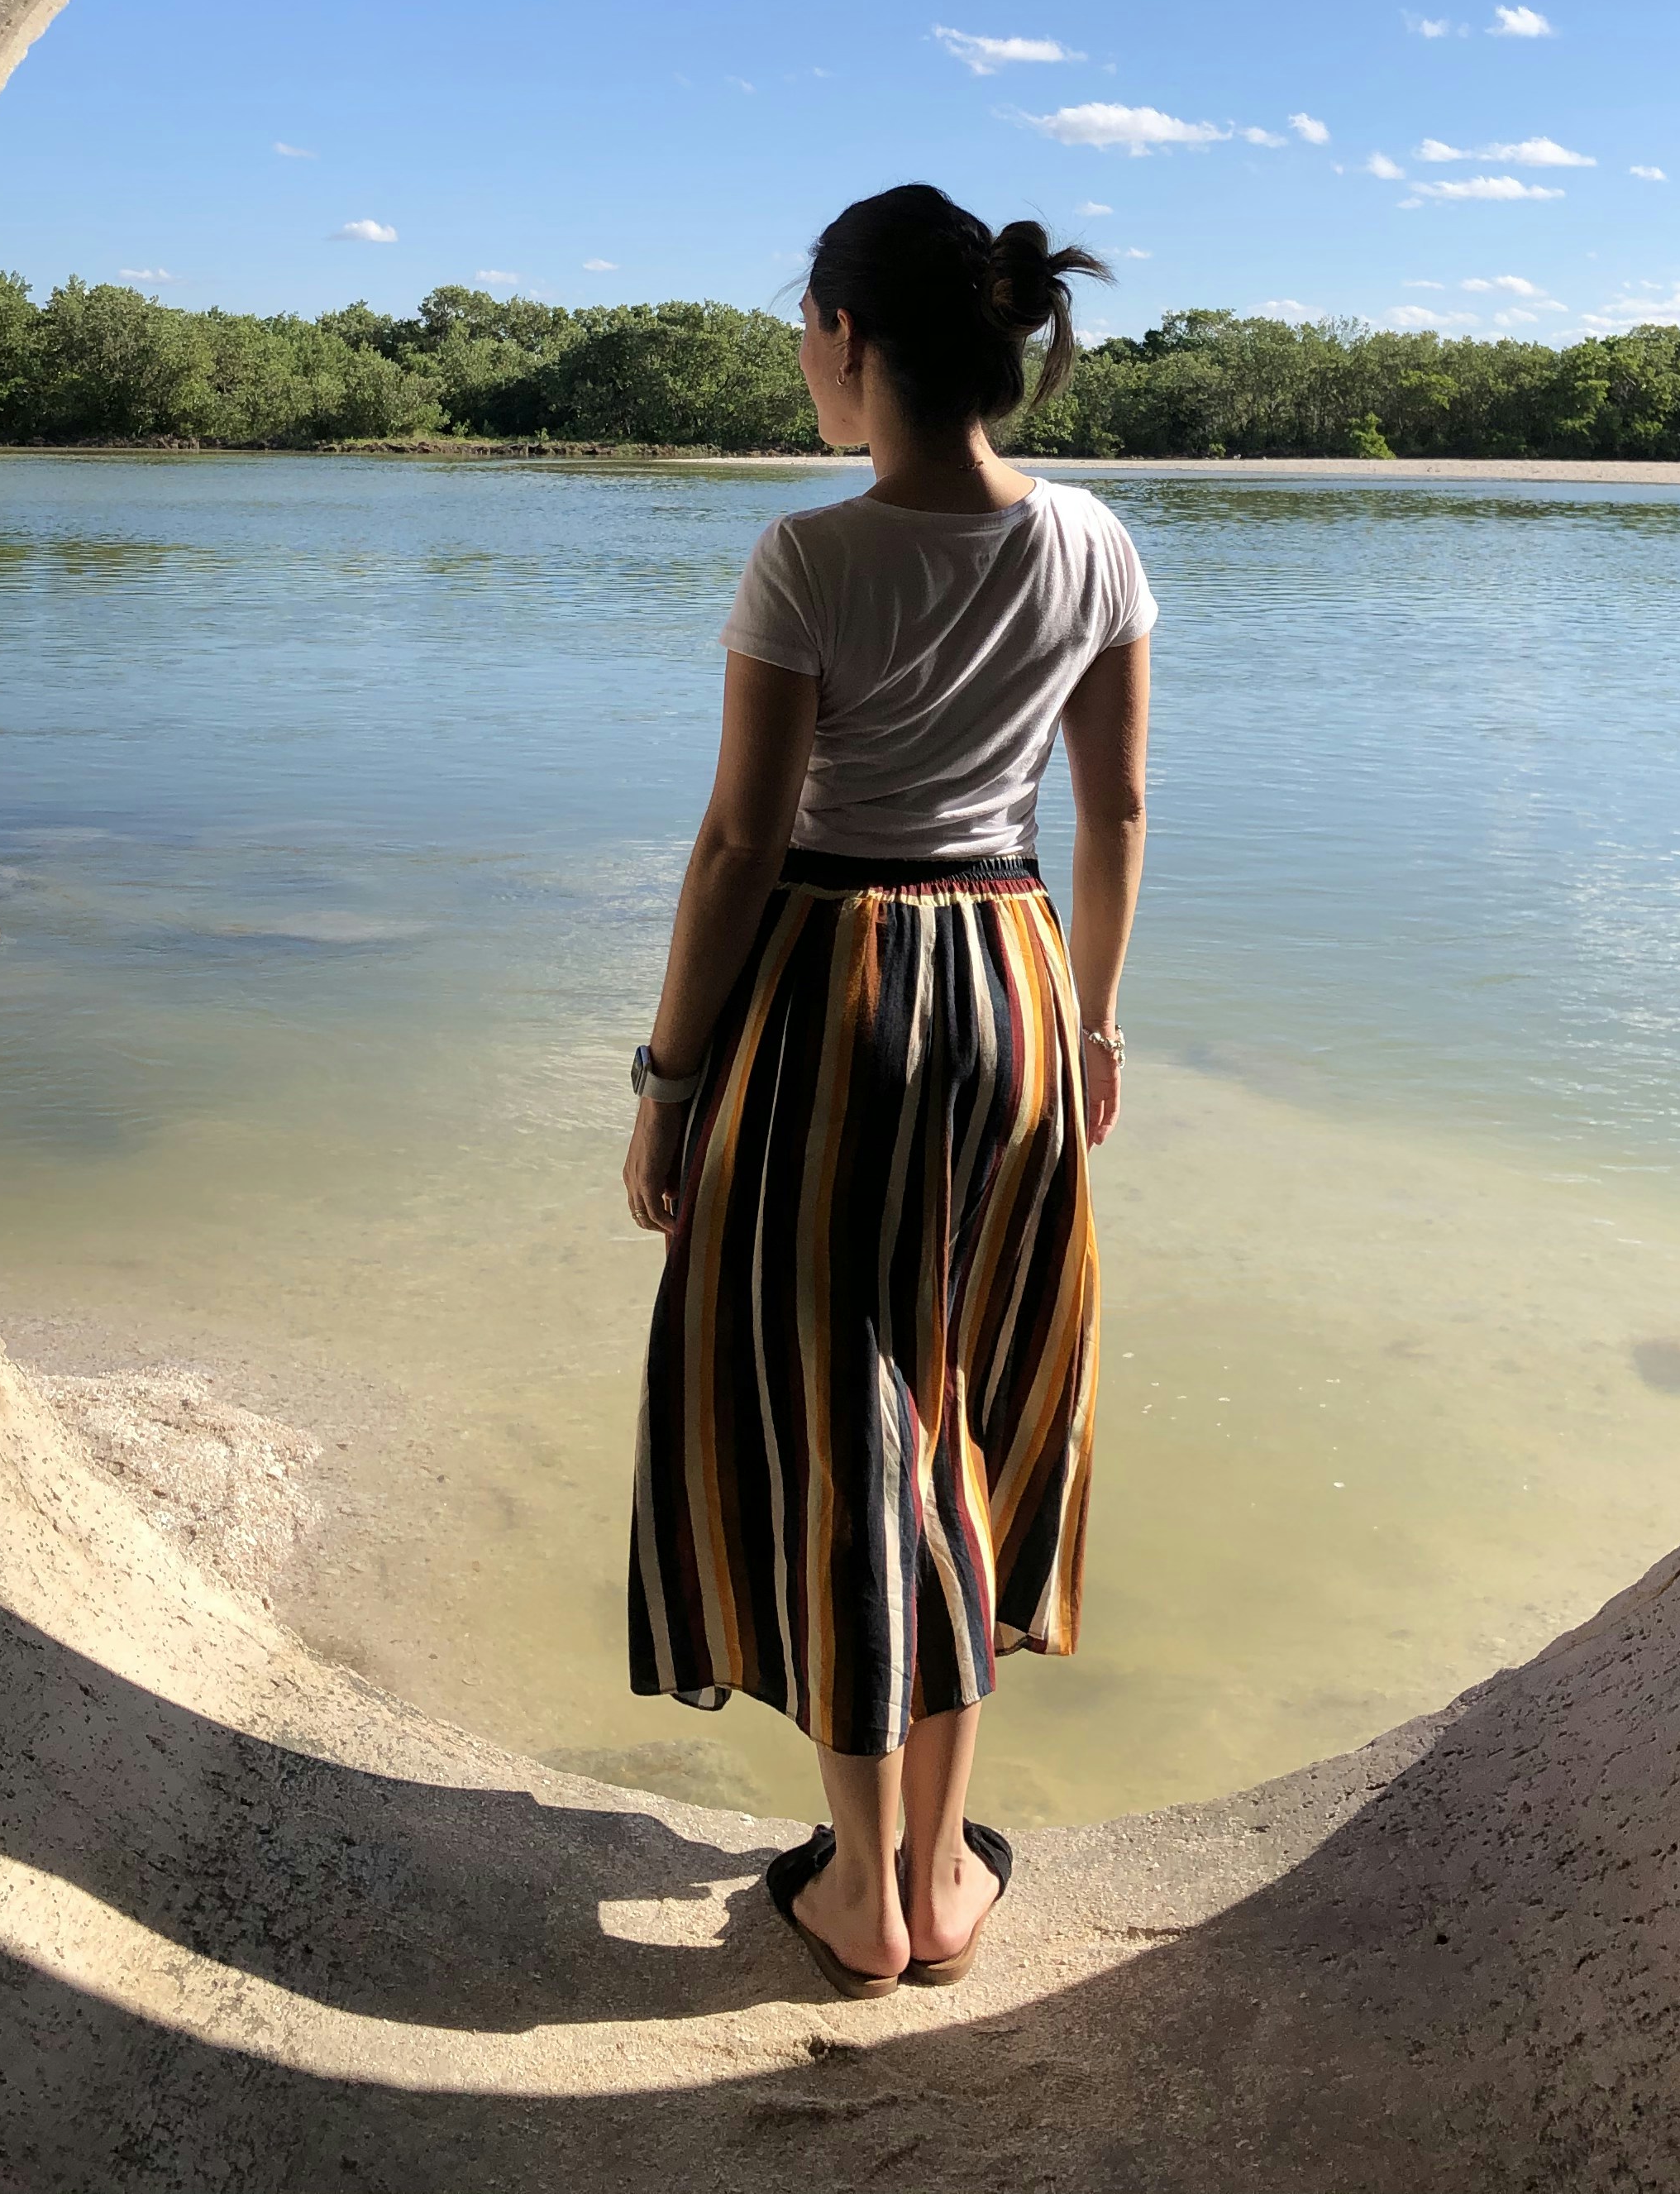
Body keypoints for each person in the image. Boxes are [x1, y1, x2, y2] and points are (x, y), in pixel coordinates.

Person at [622, 182, 1154, 2000]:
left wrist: (667, 1081)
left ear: (851, 341)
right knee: (975, 1390)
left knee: (843, 1428)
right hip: (1012, 982)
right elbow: (1119, 811)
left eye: (805, 331)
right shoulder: (1095, 543)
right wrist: (1090, 1023)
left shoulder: (807, 557)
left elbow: (740, 842)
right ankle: (943, 1874)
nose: (802, 361)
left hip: (837, 996)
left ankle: (861, 1891)